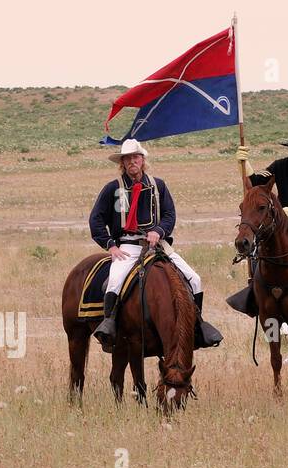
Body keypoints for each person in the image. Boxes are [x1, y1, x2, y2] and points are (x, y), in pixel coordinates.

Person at [88, 138, 222, 350]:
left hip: (157, 245)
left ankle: (197, 326)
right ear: (122, 163)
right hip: (128, 246)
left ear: (142, 160)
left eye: (136, 157)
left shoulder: (158, 186)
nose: (133, 161)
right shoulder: (112, 189)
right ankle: (109, 325)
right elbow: (96, 219)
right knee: (114, 280)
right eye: (128, 158)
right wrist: (110, 246)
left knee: (194, 279)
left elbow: (169, 214)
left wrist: (158, 231)